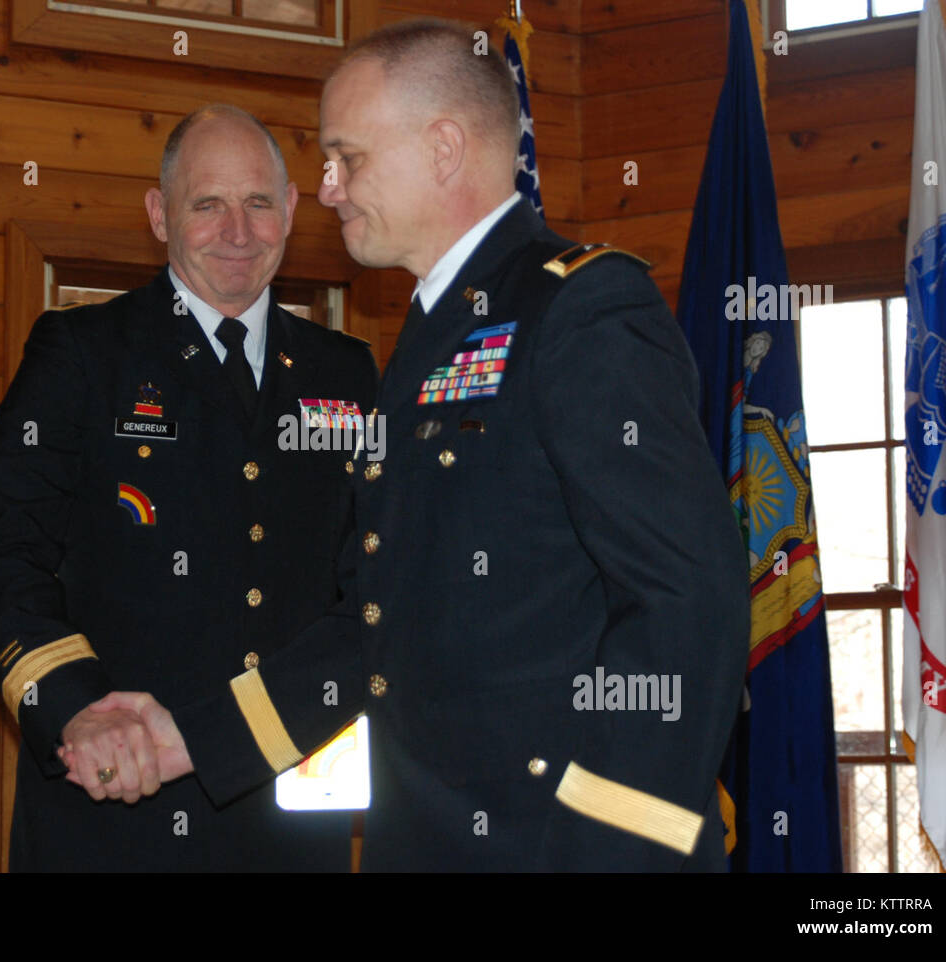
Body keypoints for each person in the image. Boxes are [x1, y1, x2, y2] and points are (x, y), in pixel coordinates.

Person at [128, 19, 752, 871]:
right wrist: (188, 741)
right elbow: (377, 624)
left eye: (348, 156)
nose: (329, 187)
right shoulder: (429, 336)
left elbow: (688, 598)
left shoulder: (582, 311)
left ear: (445, 148)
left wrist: (611, 843)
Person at [0, 103, 378, 871]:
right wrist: (76, 712)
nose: (238, 232)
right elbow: (4, 556)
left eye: (258, 203)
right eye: (207, 205)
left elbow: (375, 586)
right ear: (160, 215)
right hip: (117, 808)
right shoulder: (83, 354)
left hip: (289, 817)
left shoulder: (347, 374)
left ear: (290, 210)